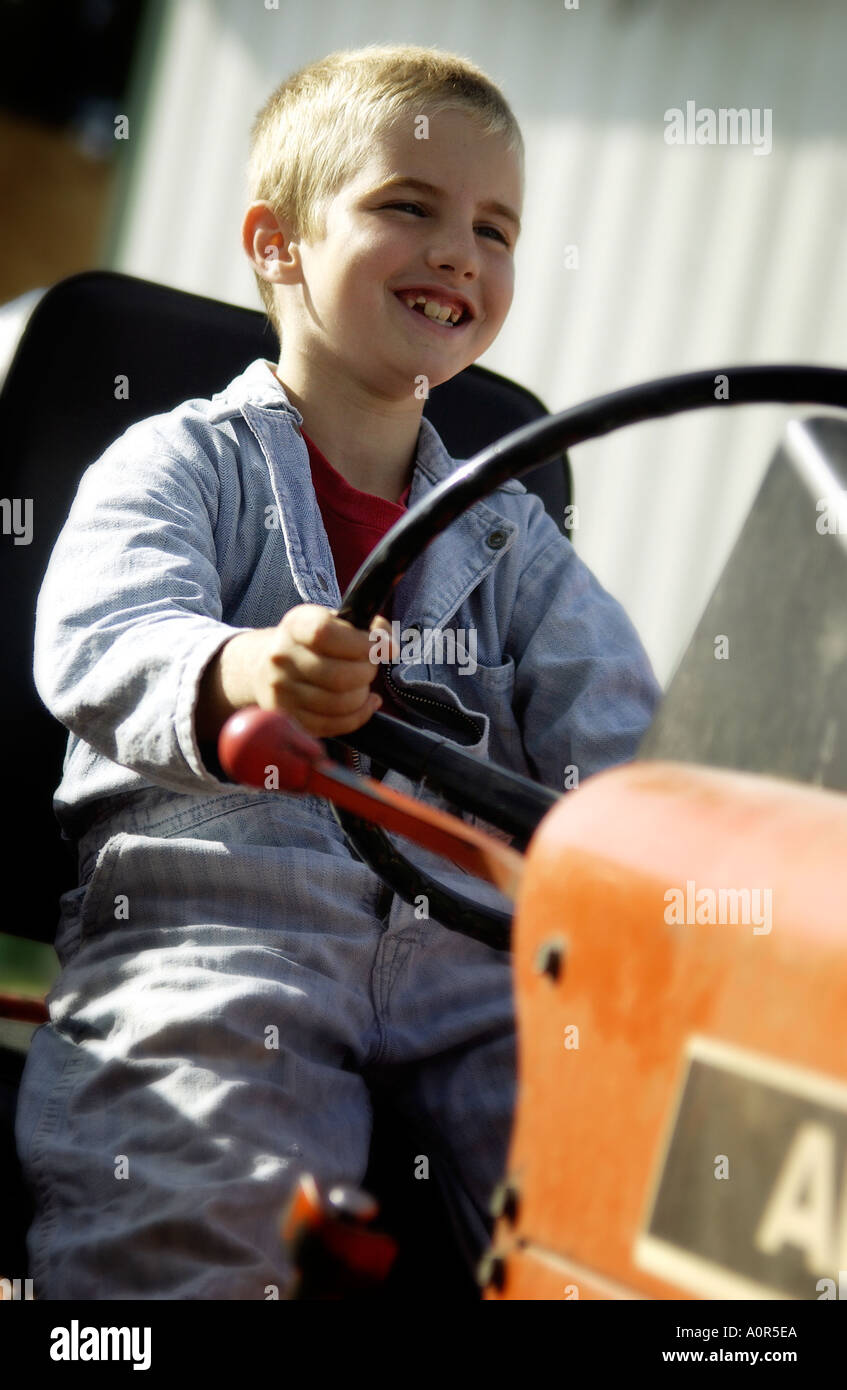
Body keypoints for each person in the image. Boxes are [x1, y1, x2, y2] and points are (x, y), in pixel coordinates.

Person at [15, 42, 661, 1300]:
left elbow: (619, 736)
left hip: (471, 955)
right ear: (277, 243)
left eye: (494, 227)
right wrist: (240, 667)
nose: (459, 253)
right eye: (406, 207)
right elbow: (99, 635)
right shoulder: (177, 465)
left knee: (631, 1191)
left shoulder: (512, 538)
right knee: (210, 1215)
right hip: (219, 926)